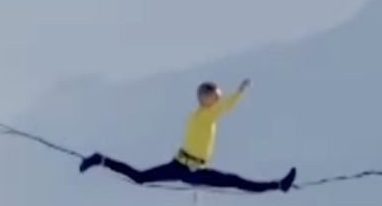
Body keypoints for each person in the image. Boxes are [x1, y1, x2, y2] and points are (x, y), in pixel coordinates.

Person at [78, 79, 297, 193]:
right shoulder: (206, 115)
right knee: (236, 182)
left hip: (187, 167)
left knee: (140, 177)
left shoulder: (200, 114)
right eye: (216, 97)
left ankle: (100, 159)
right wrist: (241, 91)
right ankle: (279, 186)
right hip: (188, 169)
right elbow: (228, 105)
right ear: (207, 99)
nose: (219, 100)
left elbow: (223, 106)